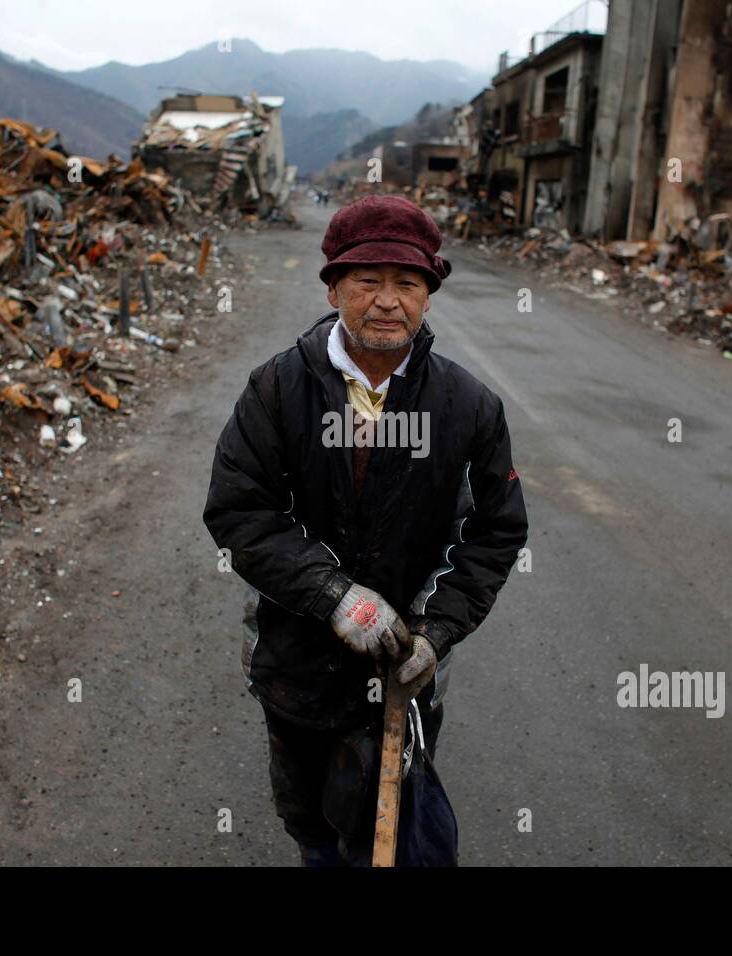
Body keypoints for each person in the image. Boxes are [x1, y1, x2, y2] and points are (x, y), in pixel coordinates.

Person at [203, 194, 528, 865]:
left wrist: (435, 634)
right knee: (310, 817)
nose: (387, 301)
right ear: (333, 287)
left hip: (406, 668)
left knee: (388, 822)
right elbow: (240, 512)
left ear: (429, 297)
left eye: (407, 283)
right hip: (297, 660)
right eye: (367, 281)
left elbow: (495, 533)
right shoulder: (277, 390)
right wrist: (334, 597)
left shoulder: (468, 406)